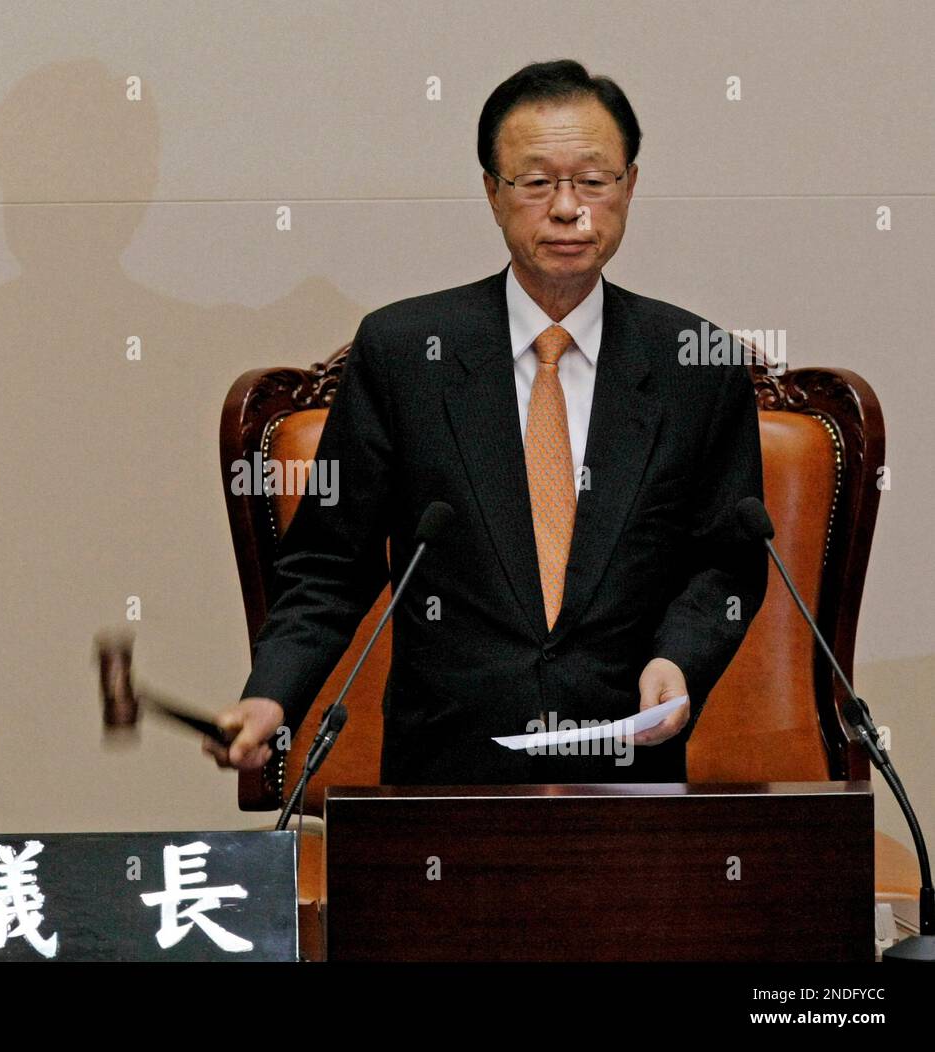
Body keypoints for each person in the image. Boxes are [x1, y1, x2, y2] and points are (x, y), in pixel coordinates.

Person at [204, 59, 767, 786]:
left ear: (629, 186)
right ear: (492, 195)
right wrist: (270, 696)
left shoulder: (696, 364)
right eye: (536, 182)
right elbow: (328, 566)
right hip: (443, 779)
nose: (567, 208)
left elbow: (729, 558)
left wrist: (678, 659)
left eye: (593, 180)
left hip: (630, 775)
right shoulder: (406, 353)